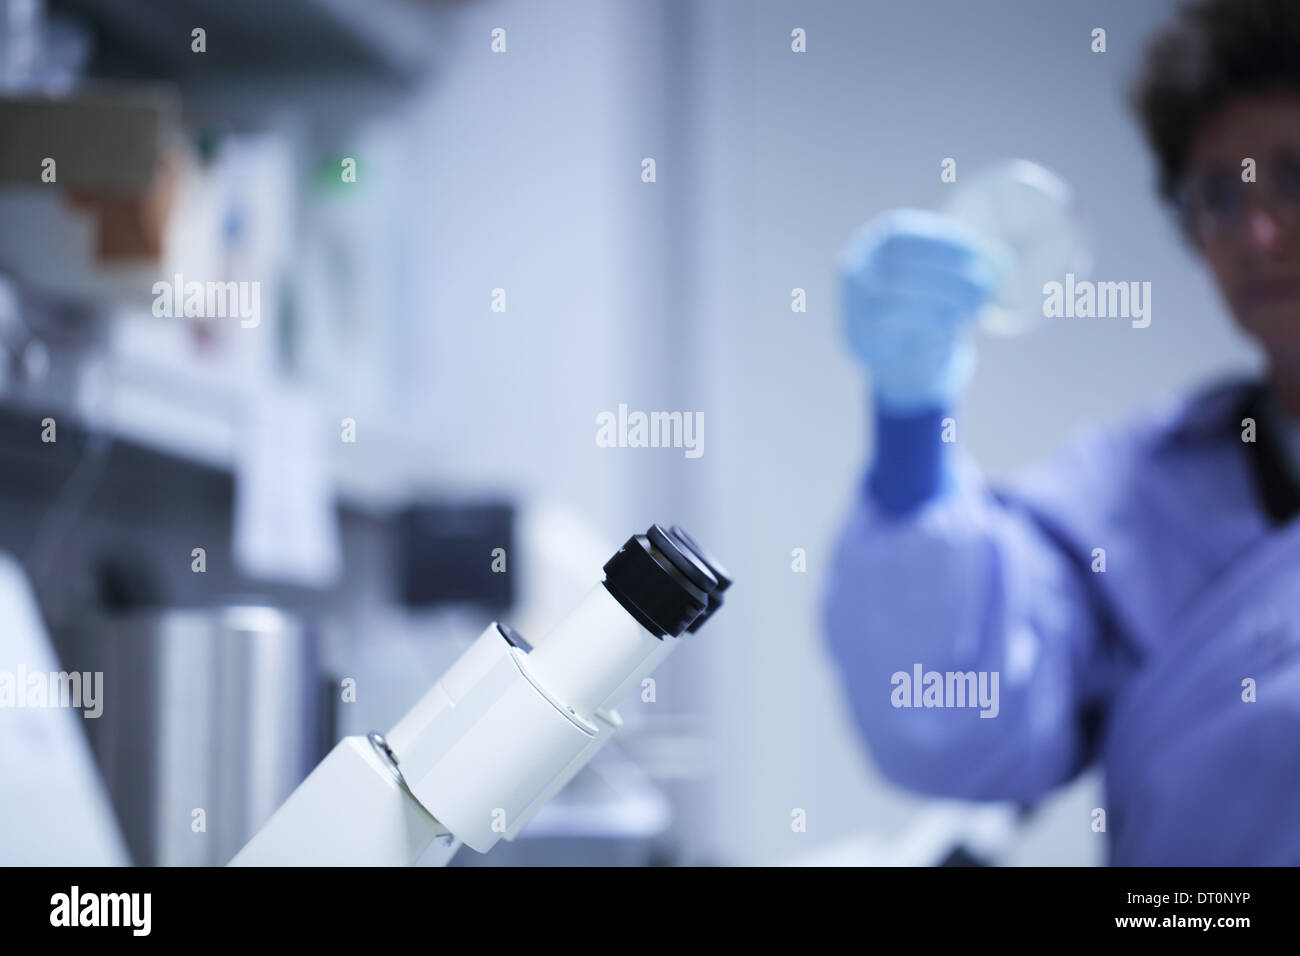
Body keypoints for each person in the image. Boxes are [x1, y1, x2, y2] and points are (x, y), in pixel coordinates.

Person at [823, 0, 1300, 866]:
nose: (1259, 234)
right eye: (1218, 196)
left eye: (1298, 177)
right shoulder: (1137, 493)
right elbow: (956, 722)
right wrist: (910, 427)